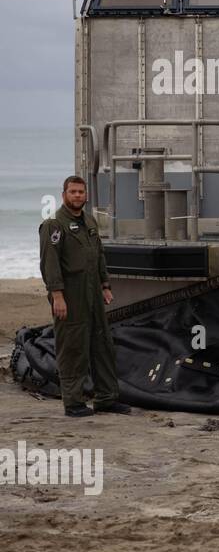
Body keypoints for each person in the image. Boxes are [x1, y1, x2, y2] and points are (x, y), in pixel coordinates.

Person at [39, 176, 130, 417]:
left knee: (102, 345)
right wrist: (57, 295)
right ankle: (73, 402)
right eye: (73, 192)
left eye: (81, 192)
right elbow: (50, 264)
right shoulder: (54, 225)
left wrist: (105, 285)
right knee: (73, 347)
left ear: (86, 195)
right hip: (71, 294)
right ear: (64, 195)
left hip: (93, 293)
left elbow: (99, 255)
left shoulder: (89, 221)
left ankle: (106, 398)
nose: (77, 195)